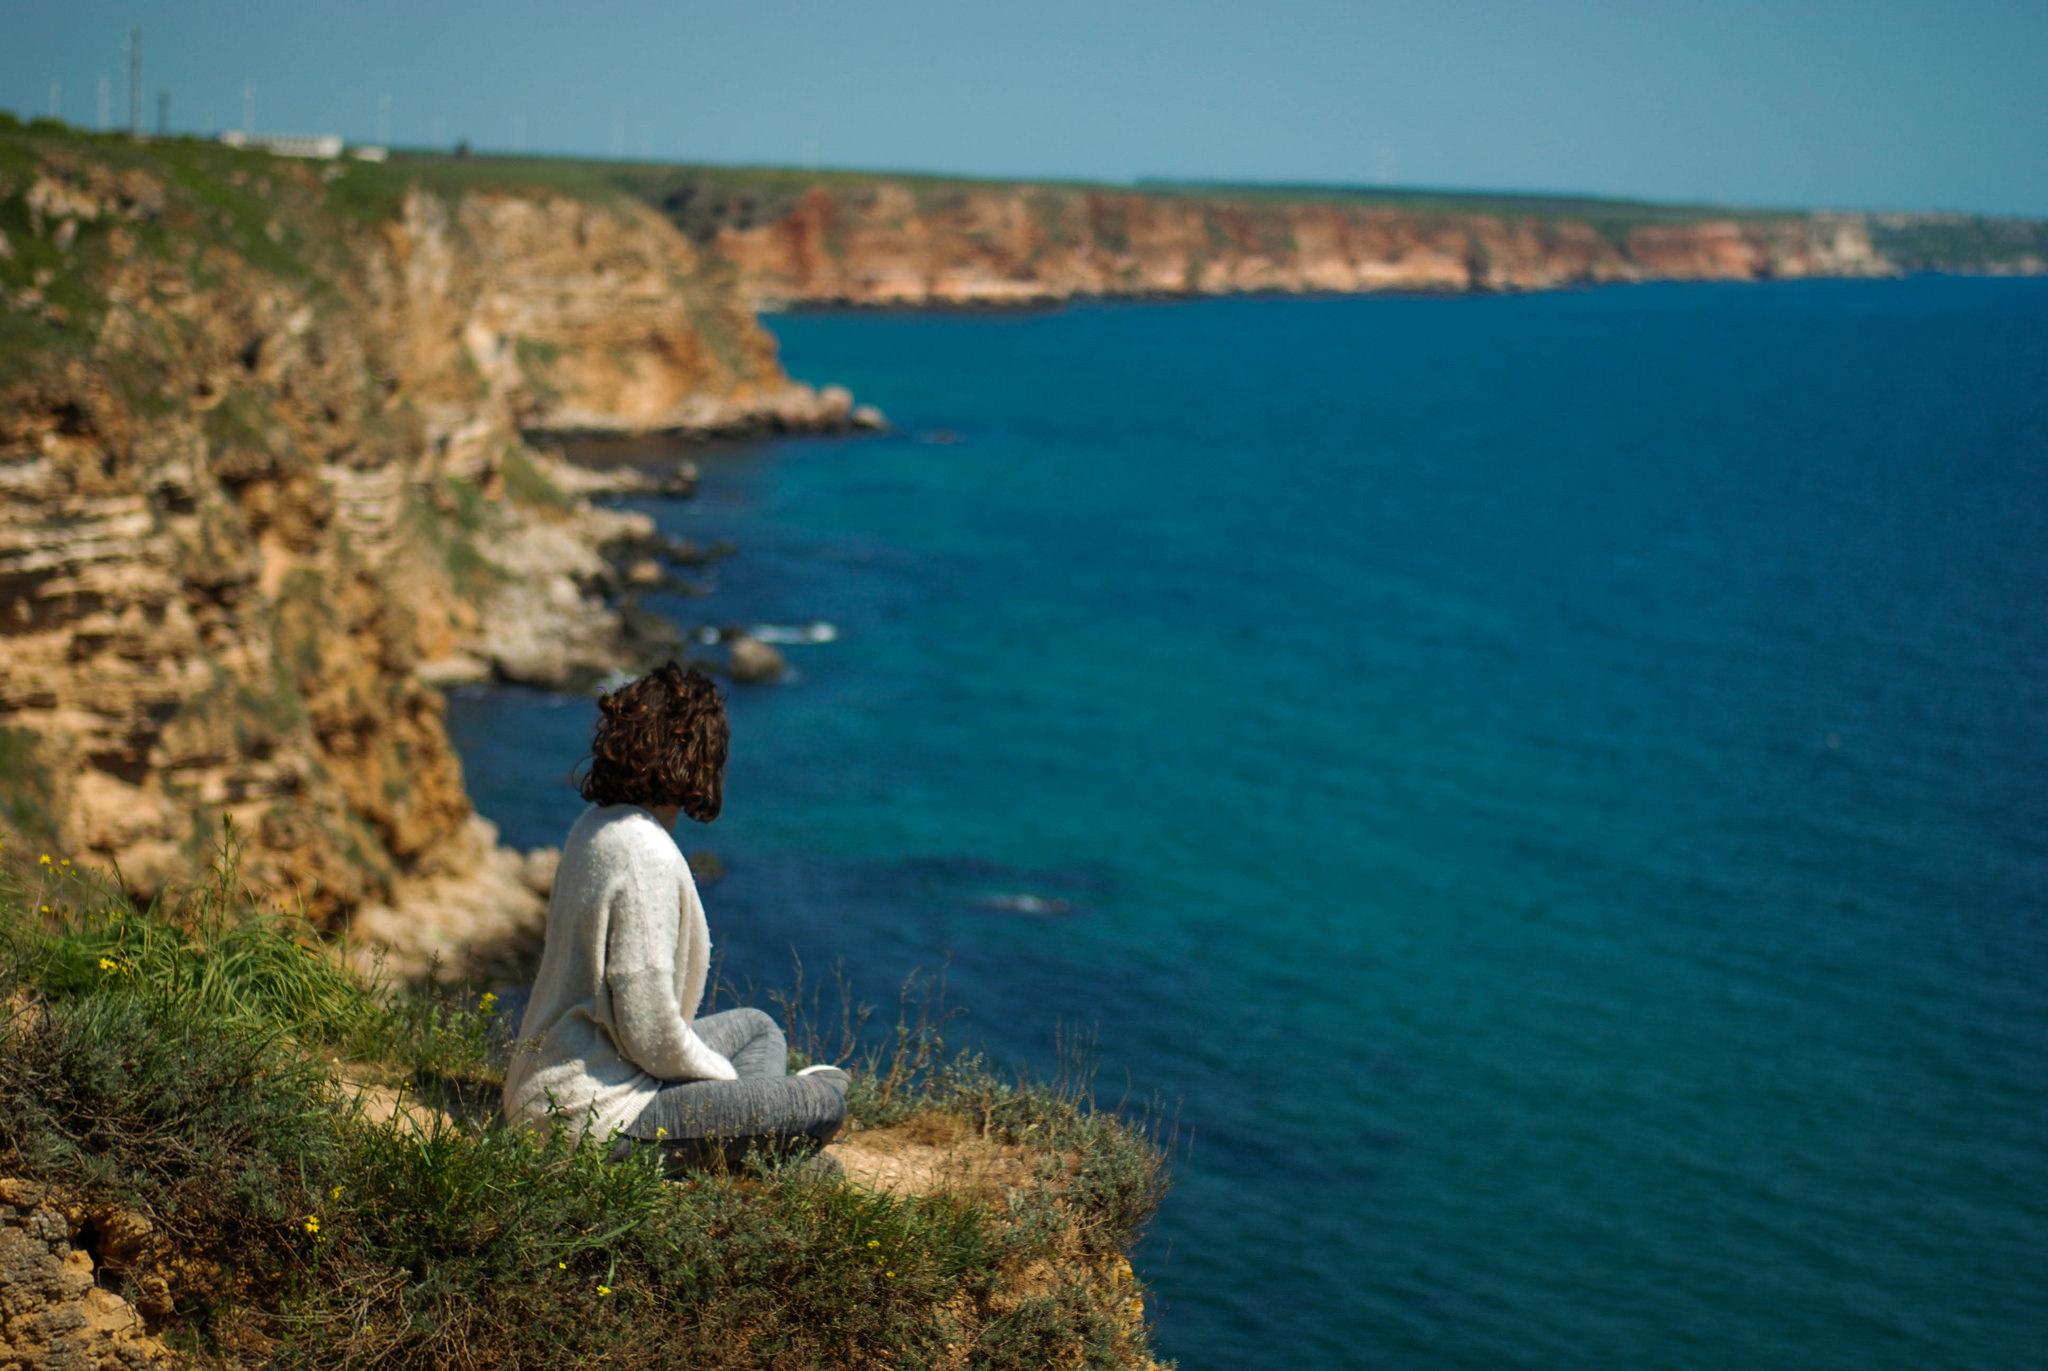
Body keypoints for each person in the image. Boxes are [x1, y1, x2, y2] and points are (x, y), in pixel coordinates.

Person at [500, 661, 848, 1172]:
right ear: (703, 756)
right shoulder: (646, 855)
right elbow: (649, 1031)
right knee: (824, 1103)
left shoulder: (596, 825)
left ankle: (756, 1146)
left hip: (549, 1093)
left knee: (757, 1029)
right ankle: (777, 1132)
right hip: (595, 1118)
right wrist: (727, 1084)